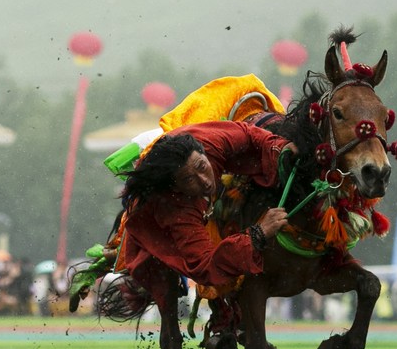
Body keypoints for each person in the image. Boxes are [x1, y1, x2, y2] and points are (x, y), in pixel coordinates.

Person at [89, 120, 296, 315]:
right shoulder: (178, 208)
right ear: (176, 186)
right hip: (153, 212)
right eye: (189, 179)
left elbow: (249, 134)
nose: (205, 181)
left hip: (193, 131)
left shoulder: (210, 141)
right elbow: (206, 267)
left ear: (203, 153)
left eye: (202, 167)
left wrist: (281, 147)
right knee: (158, 270)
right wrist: (258, 234)